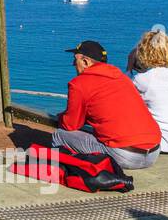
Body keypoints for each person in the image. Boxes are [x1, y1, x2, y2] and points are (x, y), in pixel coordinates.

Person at [52, 40, 161, 171]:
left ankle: (70, 171)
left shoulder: (79, 83)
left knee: (59, 134)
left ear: (85, 62)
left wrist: (63, 117)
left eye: (75, 60)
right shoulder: (121, 77)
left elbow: (70, 125)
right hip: (154, 152)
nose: (73, 64)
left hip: (125, 155)